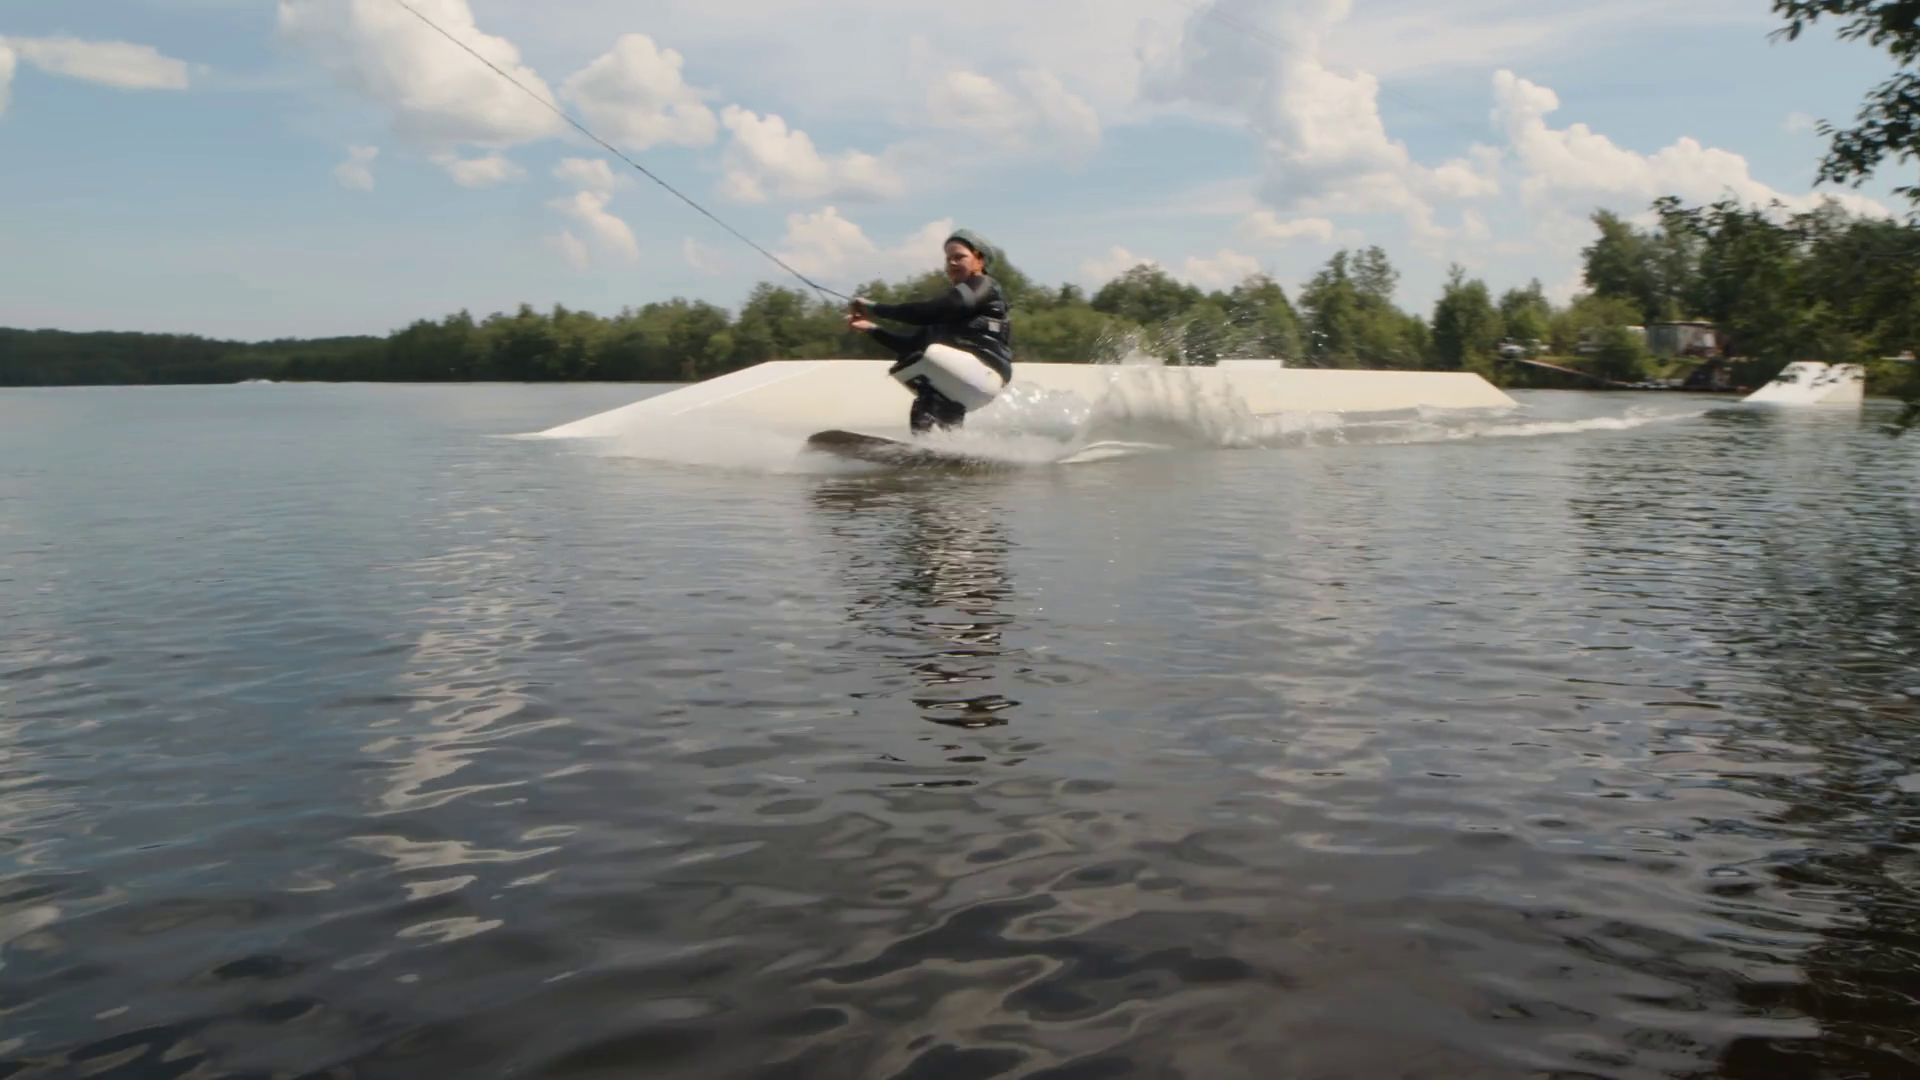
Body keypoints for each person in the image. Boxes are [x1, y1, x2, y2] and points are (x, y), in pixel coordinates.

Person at [846, 229, 1012, 435]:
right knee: (924, 404)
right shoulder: (946, 313)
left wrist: (875, 308)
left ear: (980, 261)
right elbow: (908, 347)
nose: (951, 263)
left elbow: (927, 311)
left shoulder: (984, 285)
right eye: (948, 259)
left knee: (931, 373)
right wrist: (871, 328)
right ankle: (943, 450)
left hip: (986, 371)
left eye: (959, 257)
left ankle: (938, 444)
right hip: (959, 376)